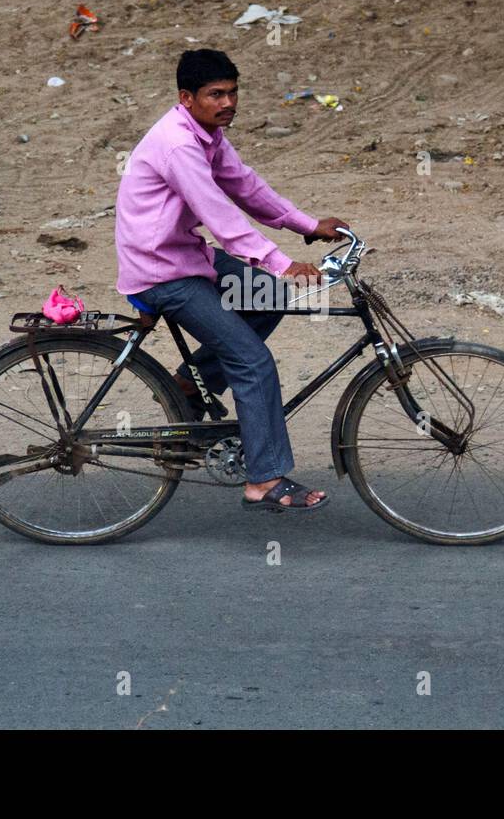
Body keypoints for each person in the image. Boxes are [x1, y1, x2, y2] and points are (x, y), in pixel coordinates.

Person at [114, 49, 349, 512]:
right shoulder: (179, 144)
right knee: (253, 362)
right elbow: (220, 215)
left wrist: (307, 224)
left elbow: (244, 186)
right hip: (162, 272)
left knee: (268, 299)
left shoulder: (208, 135)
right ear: (187, 98)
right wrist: (279, 261)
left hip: (188, 256)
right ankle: (264, 480)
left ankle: (189, 384)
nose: (227, 103)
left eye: (233, 92)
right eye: (215, 94)